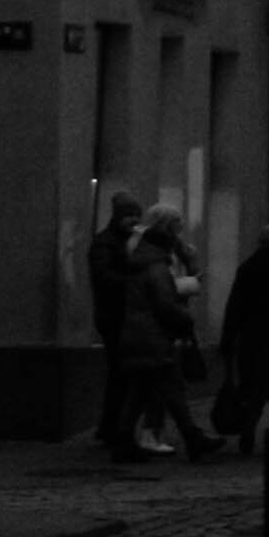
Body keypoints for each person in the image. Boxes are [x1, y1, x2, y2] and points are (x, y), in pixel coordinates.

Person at [113, 205, 214, 461]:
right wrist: (185, 319)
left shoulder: (142, 260)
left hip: (140, 334)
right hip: (153, 336)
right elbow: (164, 303)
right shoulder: (155, 266)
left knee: (141, 389)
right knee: (171, 388)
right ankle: (192, 438)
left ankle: (124, 440)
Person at [216, 223, 269, 449]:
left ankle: (248, 434)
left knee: (254, 392)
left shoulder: (248, 268)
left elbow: (235, 307)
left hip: (251, 339)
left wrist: (228, 340)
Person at [88, 192, 144, 451]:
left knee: (122, 375)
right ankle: (113, 428)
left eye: (136, 216)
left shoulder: (124, 241)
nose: (133, 220)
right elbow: (104, 277)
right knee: (121, 374)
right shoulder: (106, 243)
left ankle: (111, 426)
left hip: (122, 315)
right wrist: (133, 284)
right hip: (114, 316)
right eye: (129, 216)